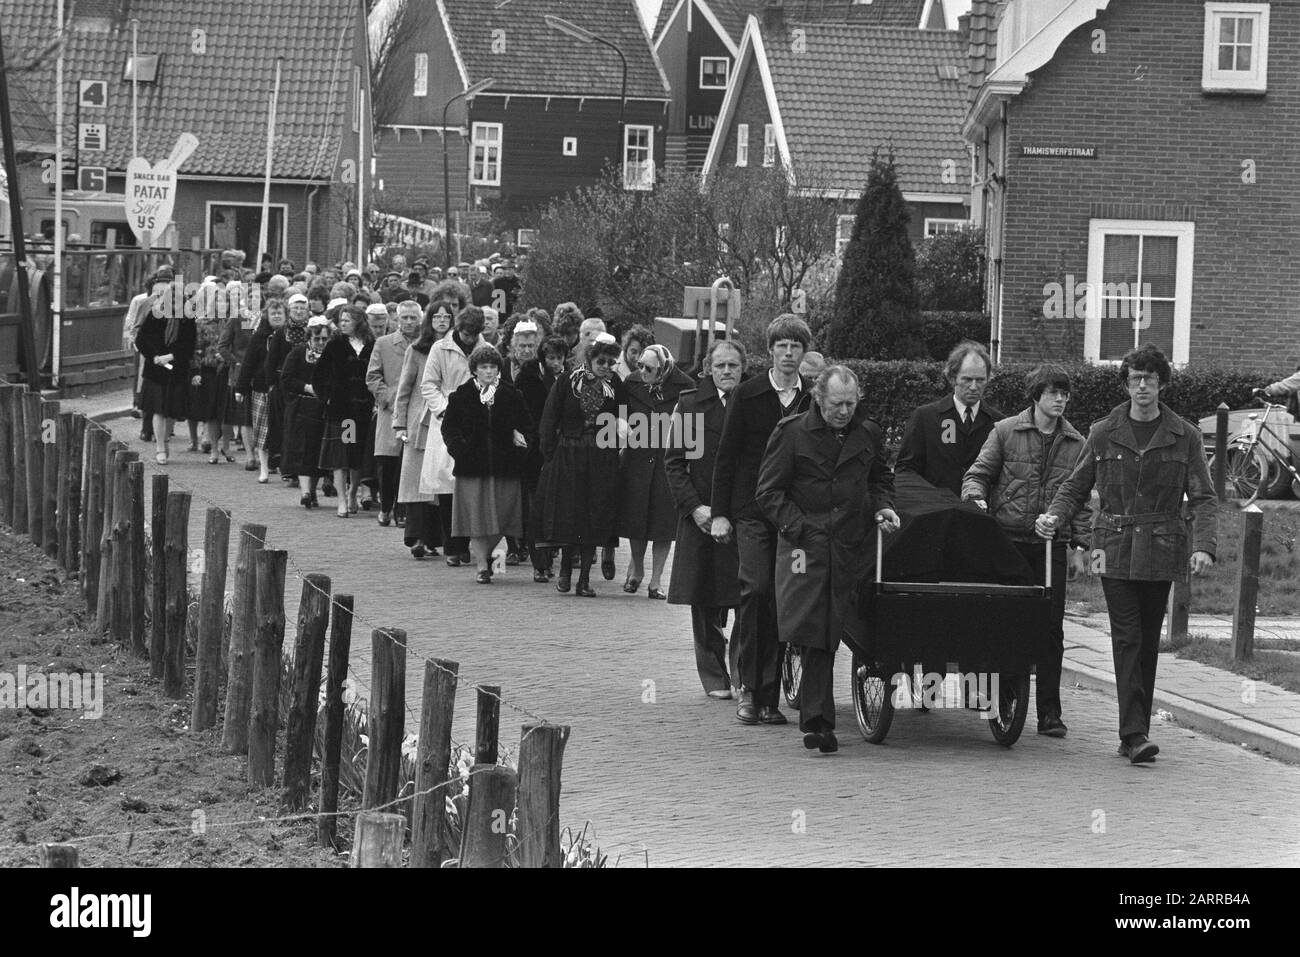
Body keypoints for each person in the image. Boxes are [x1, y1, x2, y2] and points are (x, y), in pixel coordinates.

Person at [1036, 345, 1217, 765]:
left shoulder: (1183, 435)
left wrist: (1205, 547)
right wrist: (1053, 516)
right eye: (1135, 379)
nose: (1141, 387)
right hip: (1112, 548)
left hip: (1161, 547)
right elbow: (1077, 486)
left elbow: (1205, 497)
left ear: (1162, 385)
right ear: (1125, 384)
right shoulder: (1103, 431)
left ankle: (1134, 732)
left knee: (1147, 642)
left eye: (1149, 380)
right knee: (1128, 636)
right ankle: (1134, 733)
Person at [756, 365, 900, 753]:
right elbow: (769, 492)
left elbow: (879, 480)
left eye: (851, 403)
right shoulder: (791, 433)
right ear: (819, 398)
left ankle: (818, 720)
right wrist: (798, 528)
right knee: (809, 626)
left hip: (848, 546)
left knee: (830, 629)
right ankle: (817, 719)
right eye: (837, 403)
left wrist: (882, 507)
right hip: (804, 547)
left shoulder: (867, 434)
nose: (844, 411)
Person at [961, 364, 1091, 739]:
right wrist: (976, 499)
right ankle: (1001, 700)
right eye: (1053, 393)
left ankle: (1049, 712)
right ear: (1036, 396)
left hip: (1051, 546)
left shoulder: (1076, 443)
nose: (1060, 399)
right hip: (1009, 542)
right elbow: (977, 474)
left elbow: (1082, 498)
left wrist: (1080, 544)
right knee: (1004, 621)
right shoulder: (1005, 431)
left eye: (1065, 393)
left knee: (1051, 629)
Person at [711, 315, 814, 726]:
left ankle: (772, 696)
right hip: (751, 511)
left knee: (783, 599)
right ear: (770, 351)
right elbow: (727, 455)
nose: (789, 354)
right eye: (782, 346)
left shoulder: (813, 398)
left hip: (794, 515)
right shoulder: (749, 394)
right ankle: (750, 690)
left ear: (805, 352)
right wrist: (719, 513)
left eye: (796, 347)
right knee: (755, 590)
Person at [665, 339, 746, 698]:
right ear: (708, 369)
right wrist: (695, 508)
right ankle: (714, 676)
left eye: (733, 365)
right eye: (720, 366)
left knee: (748, 595)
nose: (727, 372)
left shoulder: (752, 405)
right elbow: (675, 463)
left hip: (743, 516)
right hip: (700, 515)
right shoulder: (689, 405)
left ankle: (744, 672)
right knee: (705, 598)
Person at [535, 337, 627, 597]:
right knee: (569, 514)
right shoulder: (568, 381)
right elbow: (549, 417)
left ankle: (584, 579)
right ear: (590, 359)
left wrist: (617, 444)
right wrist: (550, 455)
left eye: (611, 363)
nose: (605, 367)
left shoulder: (615, 385)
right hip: (569, 453)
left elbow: (623, 417)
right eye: (601, 361)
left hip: (601, 458)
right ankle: (565, 572)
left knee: (593, 517)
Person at [441, 345, 533, 583]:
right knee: (476, 517)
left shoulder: (512, 394)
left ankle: (488, 555)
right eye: (484, 367)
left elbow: (527, 425)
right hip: (473, 466)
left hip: (505, 466)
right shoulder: (462, 395)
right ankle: (482, 565)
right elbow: (449, 428)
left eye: (493, 366)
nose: (489, 371)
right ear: (475, 370)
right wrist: (459, 450)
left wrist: (519, 441)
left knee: (504, 516)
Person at [618, 344, 693, 598]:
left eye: (649, 368)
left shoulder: (685, 386)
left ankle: (656, 580)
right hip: (637, 457)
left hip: (666, 460)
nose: (642, 371)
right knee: (636, 518)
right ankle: (636, 570)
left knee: (663, 522)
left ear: (663, 368)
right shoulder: (631, 383)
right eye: (639, 365)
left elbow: (692, 427)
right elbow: (622, 414)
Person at [421, 304, 489, 567]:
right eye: (466, 333)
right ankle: (452, 545)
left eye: (474, 335)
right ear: (458, 328)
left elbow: (494, 379)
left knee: (471, 485)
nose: (470, 339)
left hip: (477, 421)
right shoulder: (441, 348)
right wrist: (443, 409)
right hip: (447, 420)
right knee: (447, 485)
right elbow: (428, 384)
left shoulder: (487, 350)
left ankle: (468, 543)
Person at [897, 341, 1003, 496]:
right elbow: (906, 470)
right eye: (967, 379)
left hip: (981, 513)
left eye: (980, 380)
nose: (974, 387)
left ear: (988, 379)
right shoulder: (925, 417)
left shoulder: (999, 424)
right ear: (953, 378)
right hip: (935, 512)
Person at [314, 305, 376, 517]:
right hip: (344, 412)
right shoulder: (335, 345)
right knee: (342, 454)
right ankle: (341, 500)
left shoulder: (371, 344)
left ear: (359, 321)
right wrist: (327, 398)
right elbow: (319, 375)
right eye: (341, 320)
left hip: (365, 411)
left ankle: (352, 493)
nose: (342, 324)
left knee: (358, 455)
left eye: (347, 320)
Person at [392, 310, 444, 559]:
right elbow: (404, 389)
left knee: (439, 482)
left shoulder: (455, 350)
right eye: (437, 317)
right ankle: (417, 537)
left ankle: (436, 538)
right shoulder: (417, 350)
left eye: (447, 317)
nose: (442, 322)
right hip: (418, 423)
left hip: (445, 422)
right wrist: (400, 423)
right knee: (415, 482)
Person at [518, 335, 569, 581]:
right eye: (551, 358)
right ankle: (540, 563)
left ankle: (549, 557)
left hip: (561, 452)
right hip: (535, 452)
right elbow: (522, 413)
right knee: (536, 508)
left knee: (557, 506)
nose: (556, 363)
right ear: (542, 358)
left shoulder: (570, 378)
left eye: (560, 358)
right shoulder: (528, 379)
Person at [368, 300, 420, 526]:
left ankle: (403, 511)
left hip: (417, 410)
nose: (409, 322)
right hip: (390, 411)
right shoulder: (384, 343)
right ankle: (386, 506)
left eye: (413, 317)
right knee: (387, 464)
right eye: (404, 318)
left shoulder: (425, 344)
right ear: (396, 320)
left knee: (409, 464)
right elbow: (372, 376)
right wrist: (387, 397)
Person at [133, 282, 196, 465]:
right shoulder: (155, 315)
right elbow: (142, 339)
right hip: (156, 370)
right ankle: (160, 446)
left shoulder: (187, 319)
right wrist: (155, 357)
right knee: (159, 409)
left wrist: (171, 356)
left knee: (172, 411)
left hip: (176, 368)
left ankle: (166, 438)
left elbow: (189, 344)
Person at [281, 315, 332, 508]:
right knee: (302, 450)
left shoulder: (330, 356)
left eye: (323, 339)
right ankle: (305, 492)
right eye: (316, 339)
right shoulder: (297, 353)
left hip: (322, 409)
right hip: (302, 408)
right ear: (309, 338)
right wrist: (306, 387)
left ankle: (313, 491)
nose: (320, 343)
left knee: (317, 452)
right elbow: (286, 379)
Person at [235, 296, 285, 483]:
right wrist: (241, 387)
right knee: (262, 430)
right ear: (267, 315)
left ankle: (283, 467)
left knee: (282, 429)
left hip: (282, 390)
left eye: (280, 313)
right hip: (262, 388)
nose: (277, 316)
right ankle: (263, 467)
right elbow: (248, 362)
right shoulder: (259, 336)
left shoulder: (291, 335)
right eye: (273, 313)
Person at [263, 291, 311, 482]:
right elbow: (270, 361)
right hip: (284, 386)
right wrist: (271, 385)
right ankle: (287, 467)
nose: (299, 311)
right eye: (295, 308)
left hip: (306, 385)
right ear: (290, 310)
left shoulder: (312, 330)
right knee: (285, 426)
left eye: (302, 308)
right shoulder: (282, 332)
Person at [217, 280, 260, 471]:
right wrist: (235, 362)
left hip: (261, 374)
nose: (254, 299)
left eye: (258, 297)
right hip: (241, 374)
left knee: (261, 416)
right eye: (250, 296)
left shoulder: (266, 320)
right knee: (245, 417)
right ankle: (251, 456)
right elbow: (222, 346)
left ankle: (261, 453)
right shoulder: (236, 319)